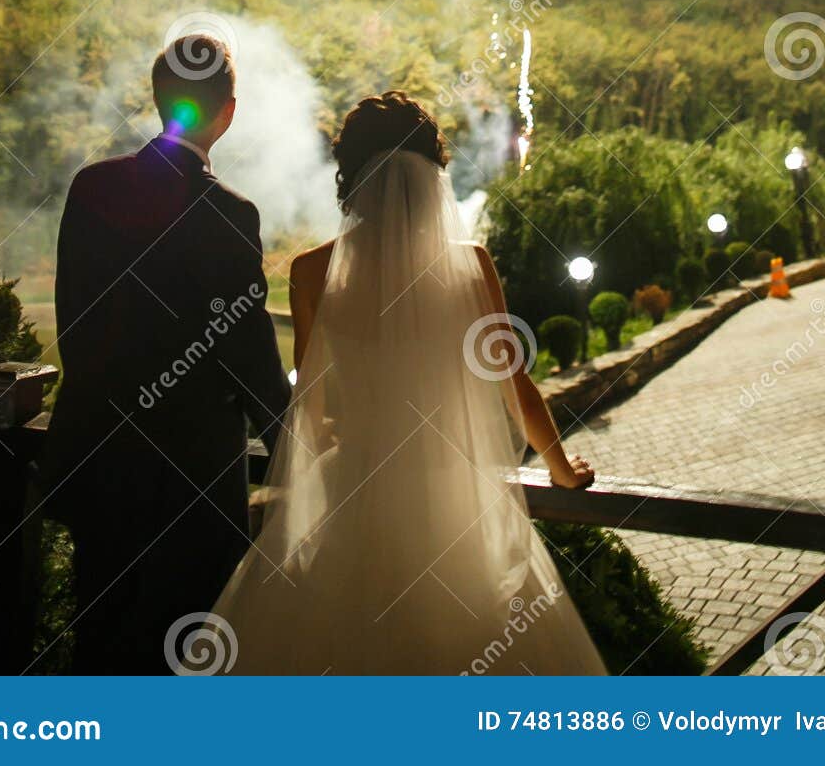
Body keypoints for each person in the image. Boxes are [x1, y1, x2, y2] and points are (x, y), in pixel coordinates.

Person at [211, 91, 605, 675]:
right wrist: (560, 468)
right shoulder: (472, 266)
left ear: (351, 172)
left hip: (353, 491)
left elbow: (310, 410)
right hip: (452, 496)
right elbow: (514, 385)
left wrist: (309, 499)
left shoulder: (312, 271)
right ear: (433, 174)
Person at [42, 36, 290, 673]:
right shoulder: (228, 214)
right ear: (226, 112)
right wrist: (292, 440)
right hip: (193, 477)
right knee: (184, 659)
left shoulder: (91, 189)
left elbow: (77, 327)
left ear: (158, 99)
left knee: (98, 643)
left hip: (96, 459)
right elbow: (249, 352)